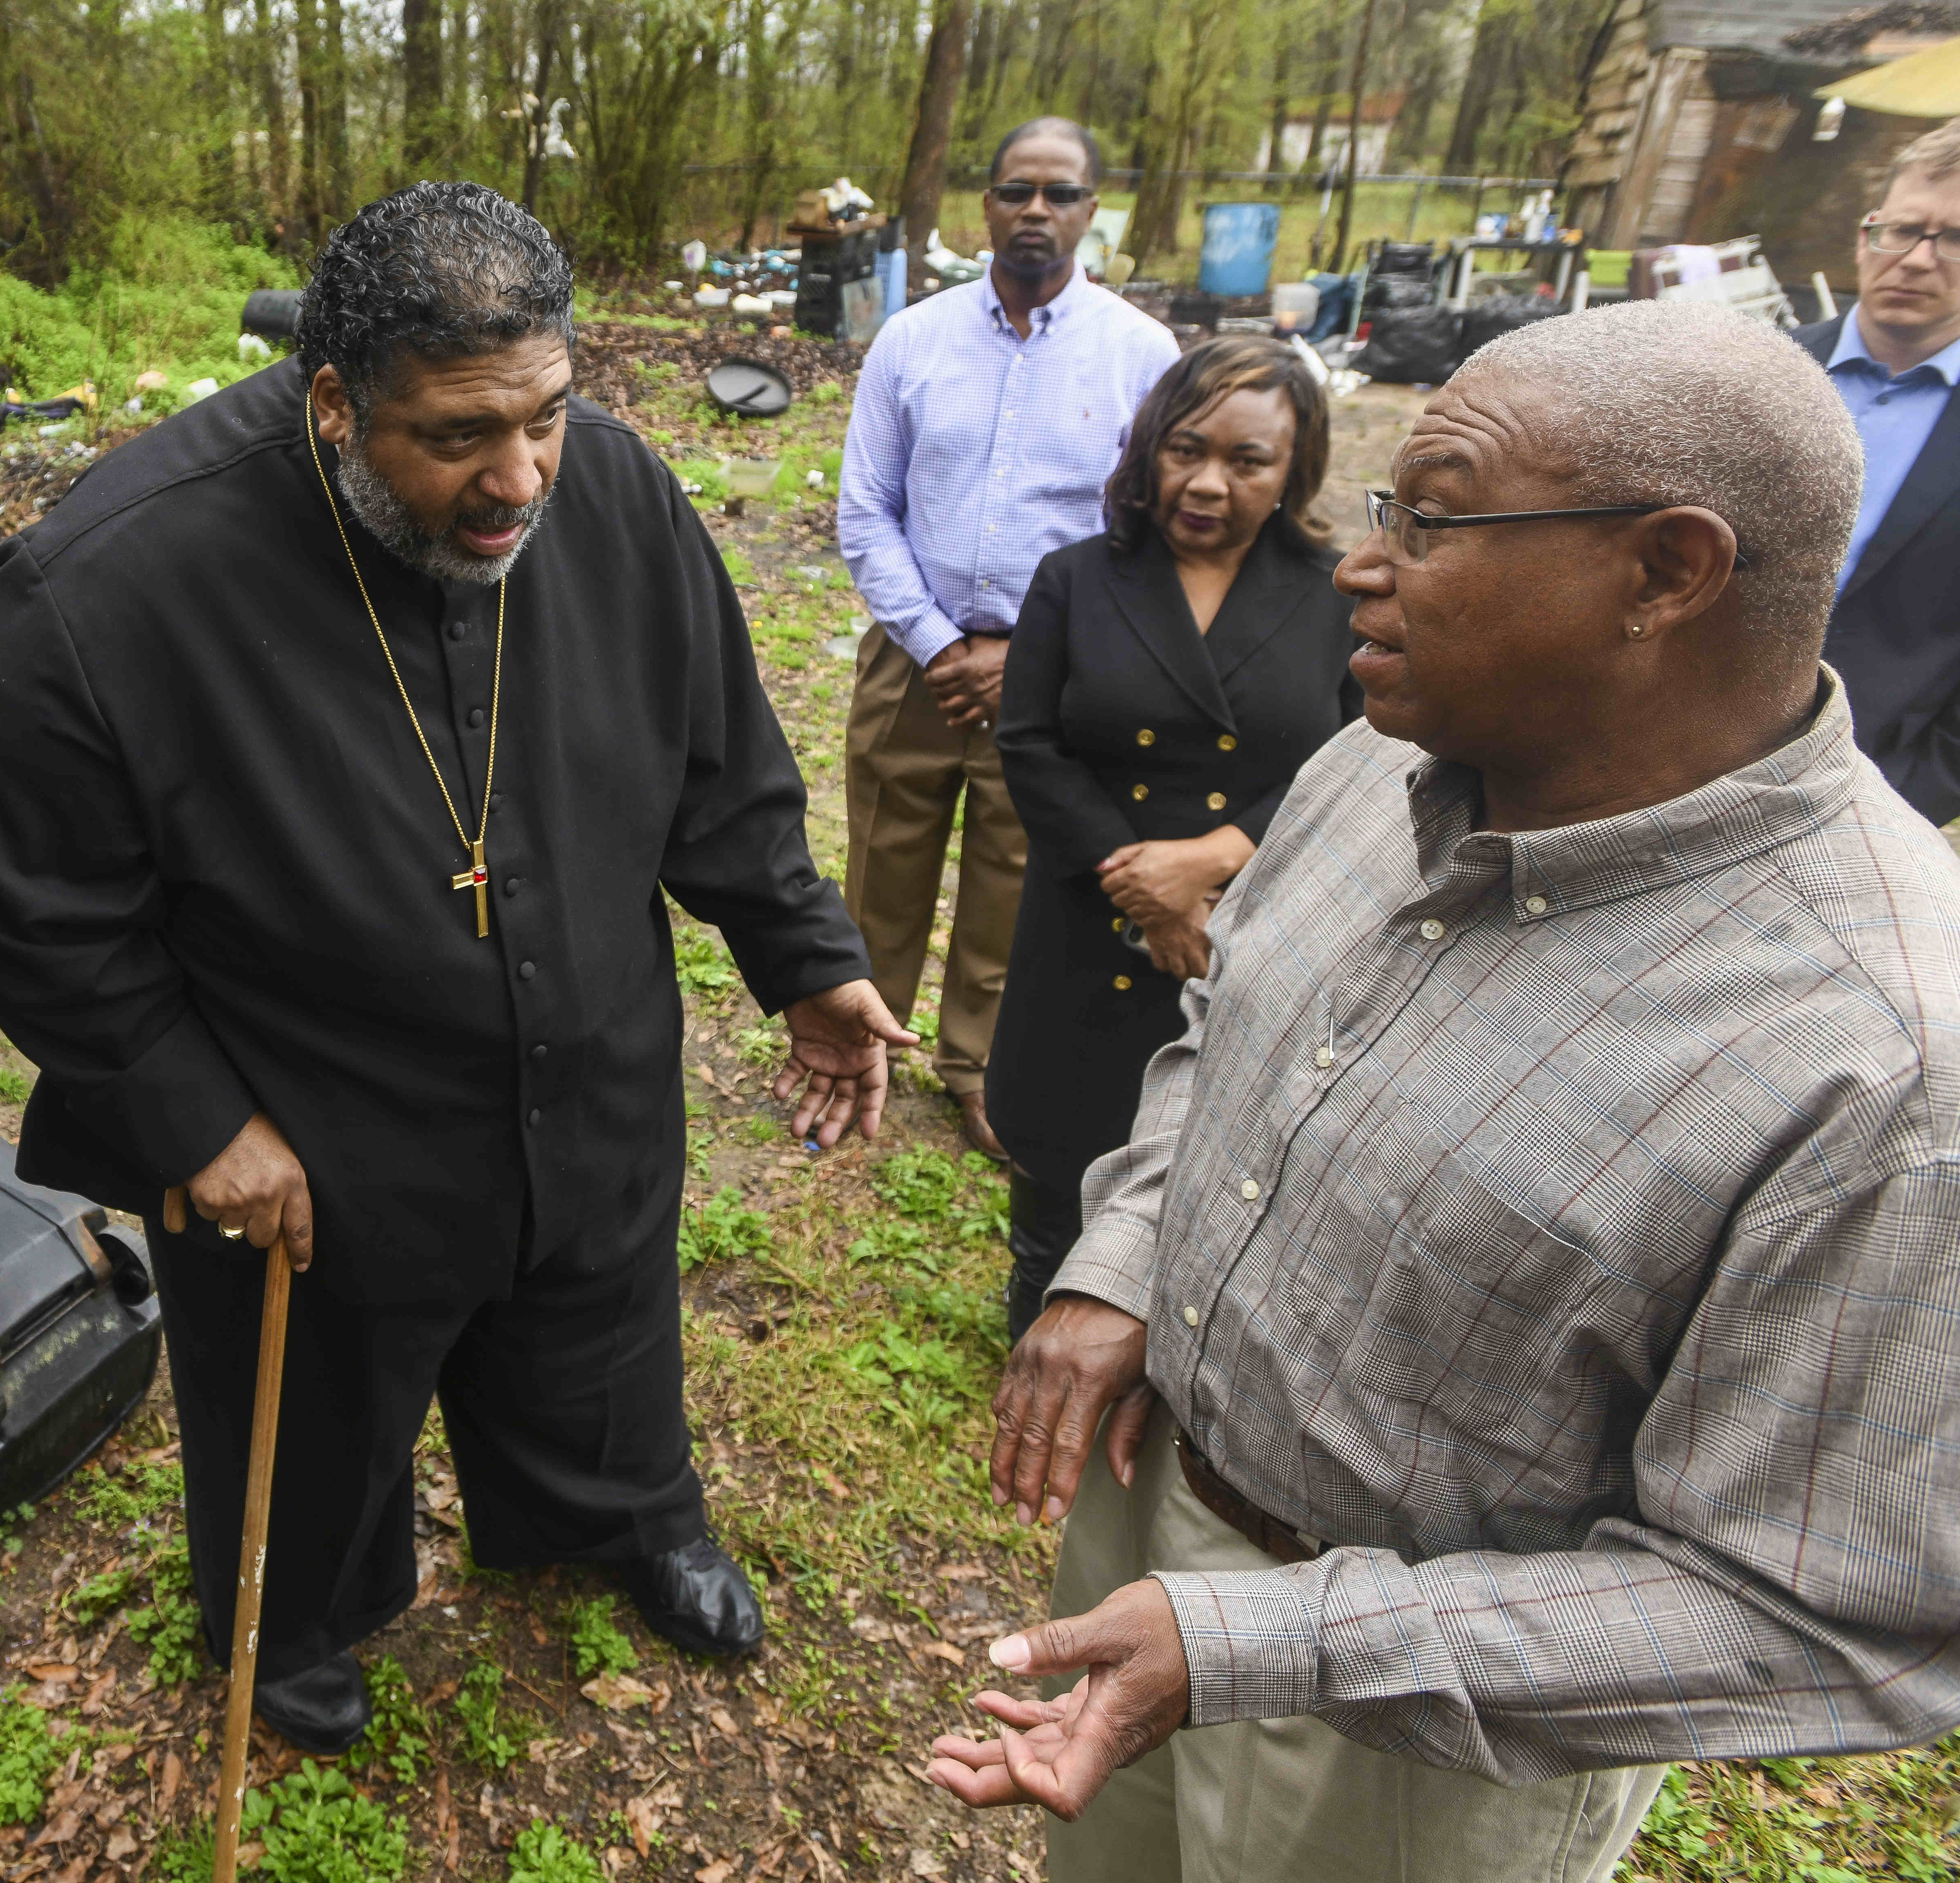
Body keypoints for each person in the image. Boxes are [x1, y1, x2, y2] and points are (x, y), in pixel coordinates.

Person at [931, 299, 1960, 1880]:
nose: (1354, 560)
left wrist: (1275, 1642)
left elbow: (1805, 1607)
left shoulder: (1879, 1057)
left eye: (1432, 518)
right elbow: (1230, 1022)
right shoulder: (1372, 765)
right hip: (1147, 1550)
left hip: (1402, 1754)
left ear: (1663, 572)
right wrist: (1127, 1253)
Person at [0, 182, 907, 1754]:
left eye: (549, 416)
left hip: (583, 1072)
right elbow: (29, 891)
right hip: (312, 1127)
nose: (518, 480)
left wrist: (802, 952)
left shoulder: (619, 498)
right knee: (309, 1408)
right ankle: (294, 1610)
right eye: (456, 437)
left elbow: (721, 753)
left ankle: (616, 1513)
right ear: (333, 403)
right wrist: (188, 1121)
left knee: (600, 1325)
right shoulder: (110, 583)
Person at [983, 335, 1359, 1344]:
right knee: (1058, 1182)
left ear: (1293, 471)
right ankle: (1037, 1357)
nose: (1205, 484)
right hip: (1083, 922)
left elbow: (1362, 758)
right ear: (1148, 449)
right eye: (1184, 449)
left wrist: (1216, 857)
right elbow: (1028, 743)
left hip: (1255, 931)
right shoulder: (1076, 578)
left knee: (1210, 1176)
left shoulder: (1338, 596)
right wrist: (1140, 885)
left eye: (1247, 462)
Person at [838, 116, 1180, 1158]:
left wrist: (1027, 652)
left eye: (1060, 195)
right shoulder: (913, 340)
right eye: (1016, 191)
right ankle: (860, 1042)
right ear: (982, 205)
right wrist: (941, 645)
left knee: (1013, 876)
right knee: (882, 858)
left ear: (1091, 214)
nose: (1036, 211)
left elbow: (1142, 529)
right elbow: (864, 510)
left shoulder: (1140, 355)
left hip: (1057, 677)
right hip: (914, 663)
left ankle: (977, 1066)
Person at [1796, 117, 1960, 822]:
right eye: (1902, 229)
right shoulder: (1752, 369)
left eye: (1955, 239)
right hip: (1645, 749)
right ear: (1867, 235)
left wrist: (1912, 790)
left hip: (1861, 789)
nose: (1918, 259)